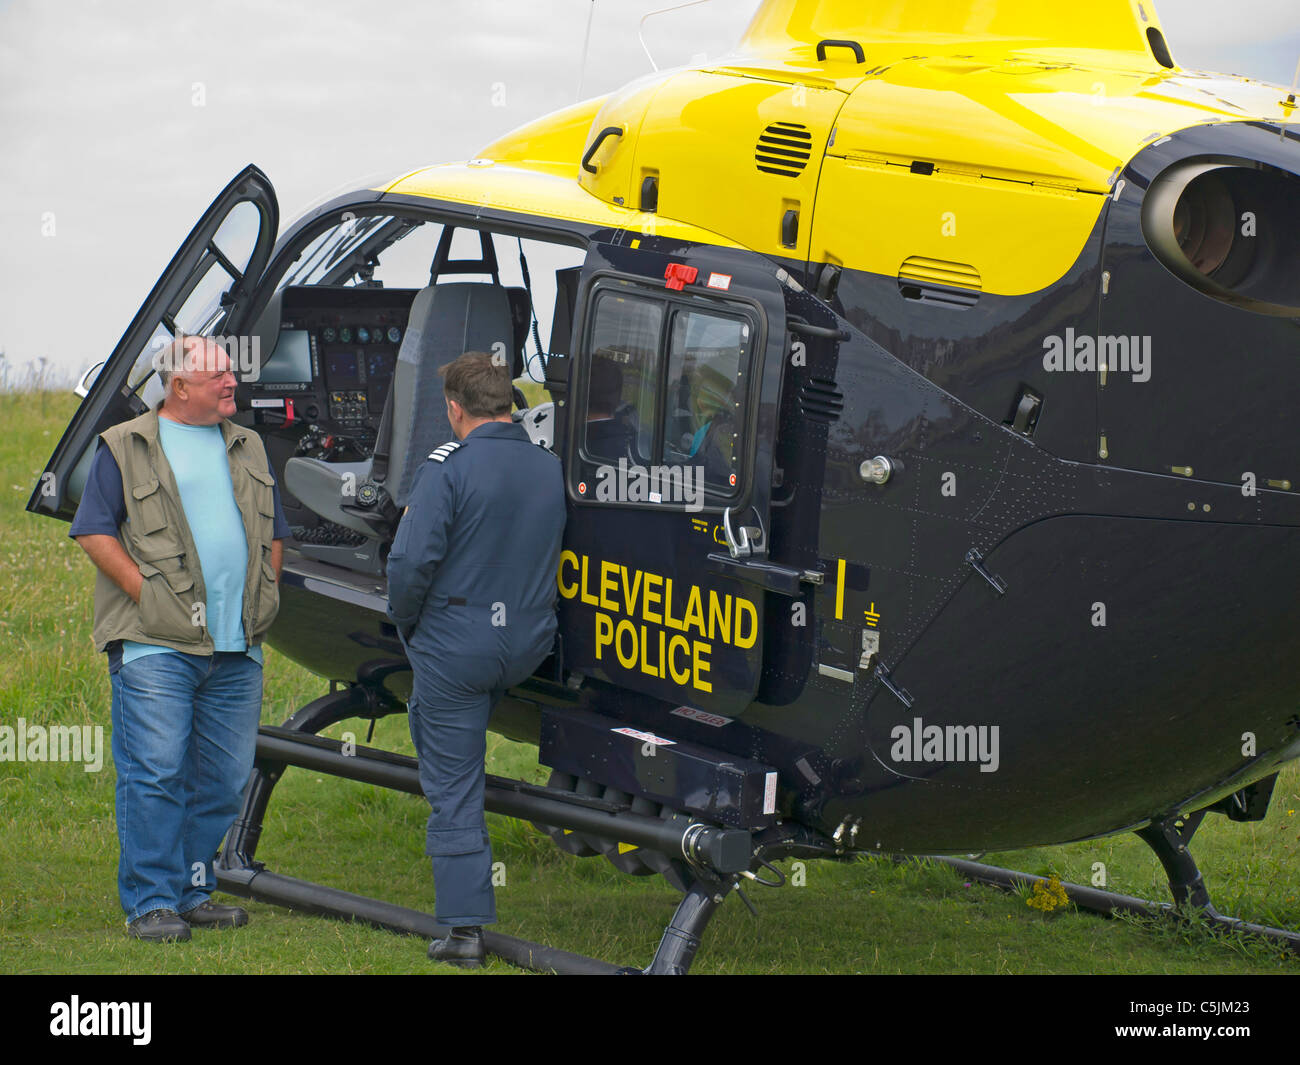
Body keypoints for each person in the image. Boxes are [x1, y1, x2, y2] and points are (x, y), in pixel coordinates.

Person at [70, 334, 291, 942]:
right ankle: (150, 902)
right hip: (154, 643)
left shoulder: (248, 445)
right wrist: (148, 597)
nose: (232, 385)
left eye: (231, 376)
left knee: (222, 780)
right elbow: (93, 531)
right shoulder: (125, 445)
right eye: (220, 376)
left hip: (235, 646)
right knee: (156, 773)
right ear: (179, 387)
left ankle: (193, 891)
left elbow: (276, 529)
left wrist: (266, 586)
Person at [386, 350, 566, 969]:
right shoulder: (550, 469)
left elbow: (409, 567)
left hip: (457, 649)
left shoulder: (447, 469)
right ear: (511, 406)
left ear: (454, 410)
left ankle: (464, 931)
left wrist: (409, 623)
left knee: (454, 787)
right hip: (527, 647)